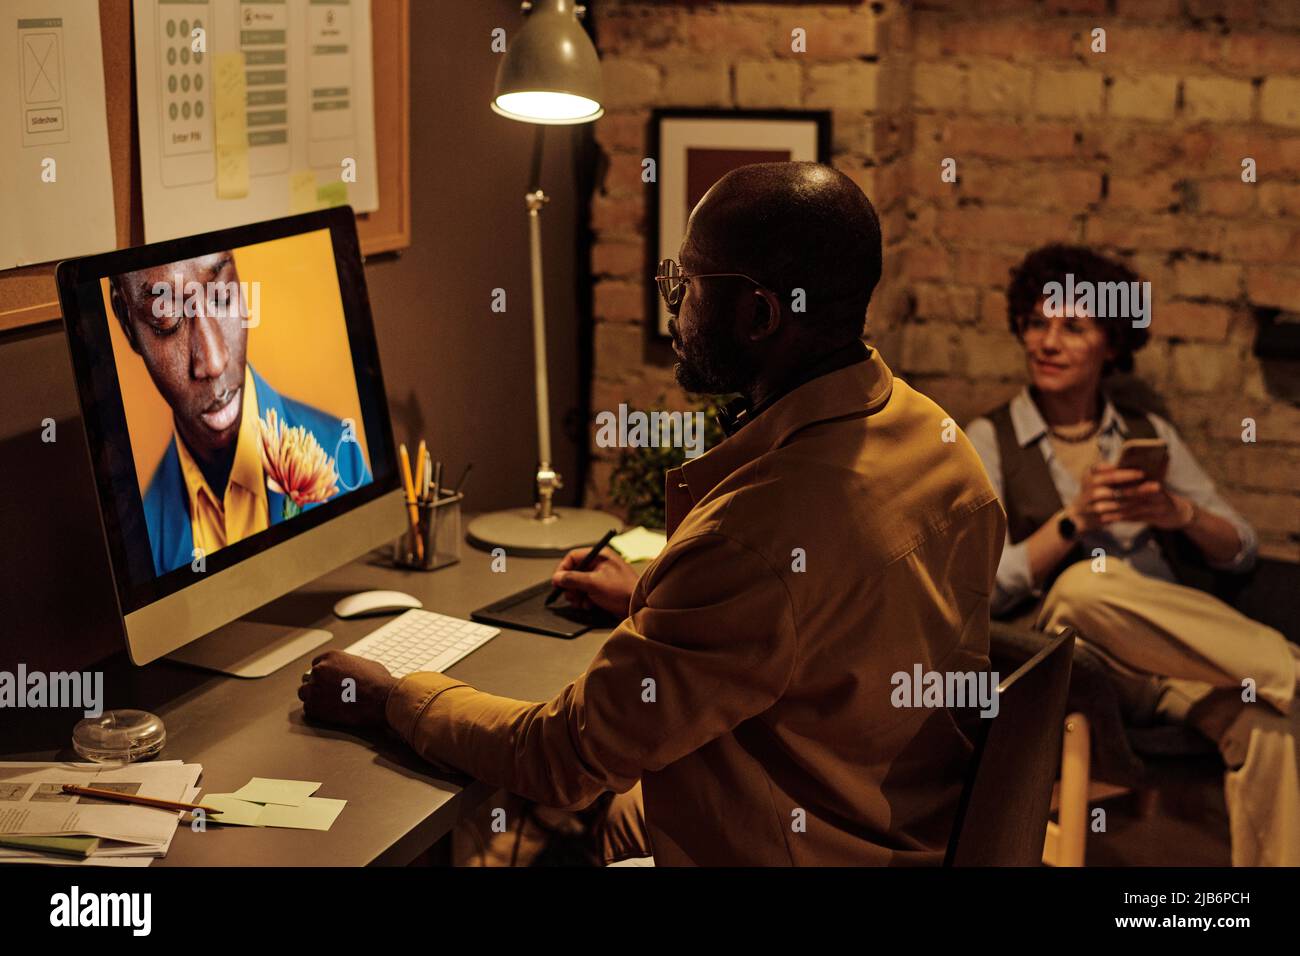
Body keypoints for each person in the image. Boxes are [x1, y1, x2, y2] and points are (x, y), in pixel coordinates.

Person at [300, 162, 1006, 865]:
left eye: (686, 283)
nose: (670, 302)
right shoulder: (940, 446)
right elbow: (832, 626)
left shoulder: (754, 537)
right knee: (625, 824)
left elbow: (562, 757)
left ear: (758, 314)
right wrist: (656, 603)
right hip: (903, 828)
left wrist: (392, 697)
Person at [965, 244, 1300, 866]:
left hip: (1169, 655)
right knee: (1088, 585)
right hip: (1071, 657)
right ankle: (1292, 668)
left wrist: (1182, 515)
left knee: (1269, 723)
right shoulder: (989, 439)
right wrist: (1076, 521)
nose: (1048, 342)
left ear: (1110, 345)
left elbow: (1241, 548)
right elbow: (980, 586)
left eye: (1073, 327)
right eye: (1038, 323)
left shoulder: (1148, 433)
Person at [109, 252, 370, 576]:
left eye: (221, 295)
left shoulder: (342, 459)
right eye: (168, 317)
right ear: (127, 324)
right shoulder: (142, 539)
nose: (214, 360)